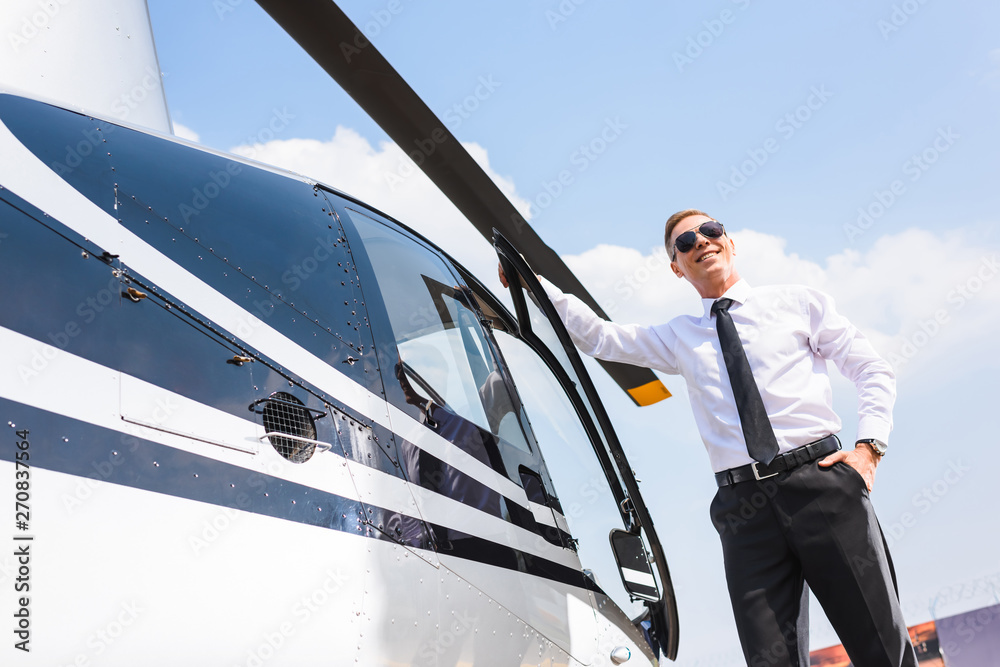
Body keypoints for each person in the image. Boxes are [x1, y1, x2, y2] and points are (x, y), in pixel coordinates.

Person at [501, 209, 917, 667]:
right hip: (744, 511)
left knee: (879, 643)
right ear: (676, 267)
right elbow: (602, 339)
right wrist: (532, 281)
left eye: (711, 231)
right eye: (684, 243)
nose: (700, 241)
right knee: (768, 658)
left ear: (730, 242)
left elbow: (872, 369)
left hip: (821, 484)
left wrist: (870, 447)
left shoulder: (800, 302)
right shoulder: (681, 336)